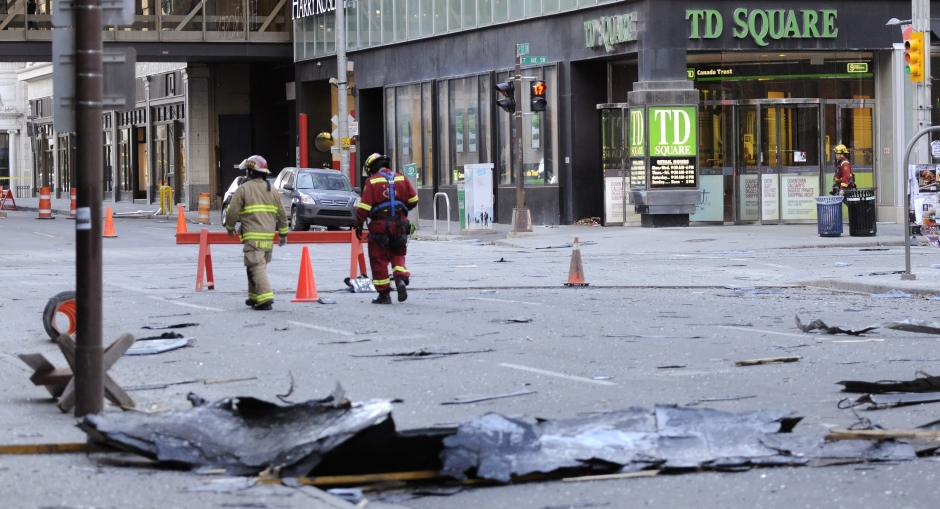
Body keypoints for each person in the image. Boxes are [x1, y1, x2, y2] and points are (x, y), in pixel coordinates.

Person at [224, 155, 289, 311]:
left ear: (250, 172)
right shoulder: (272, 190)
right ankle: (254, 297)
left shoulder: (244, 189)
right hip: (267, 238)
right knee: (255, 265)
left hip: (252, 236)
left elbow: (232, 211)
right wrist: (283, 234)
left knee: (256, 266)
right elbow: (282, 213)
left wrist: (230, 227)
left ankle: (265, 297)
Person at [355, 153, 418, 304]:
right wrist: (402, 210)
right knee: (398, 254)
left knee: (379, 259)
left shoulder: (372, 181)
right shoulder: (401, 178)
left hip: (379, 227)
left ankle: (384, 295)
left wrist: (358, 223)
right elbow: (414, 200)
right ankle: (401, 278)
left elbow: (364, 207)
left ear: (372, 168)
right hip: (400, 225)